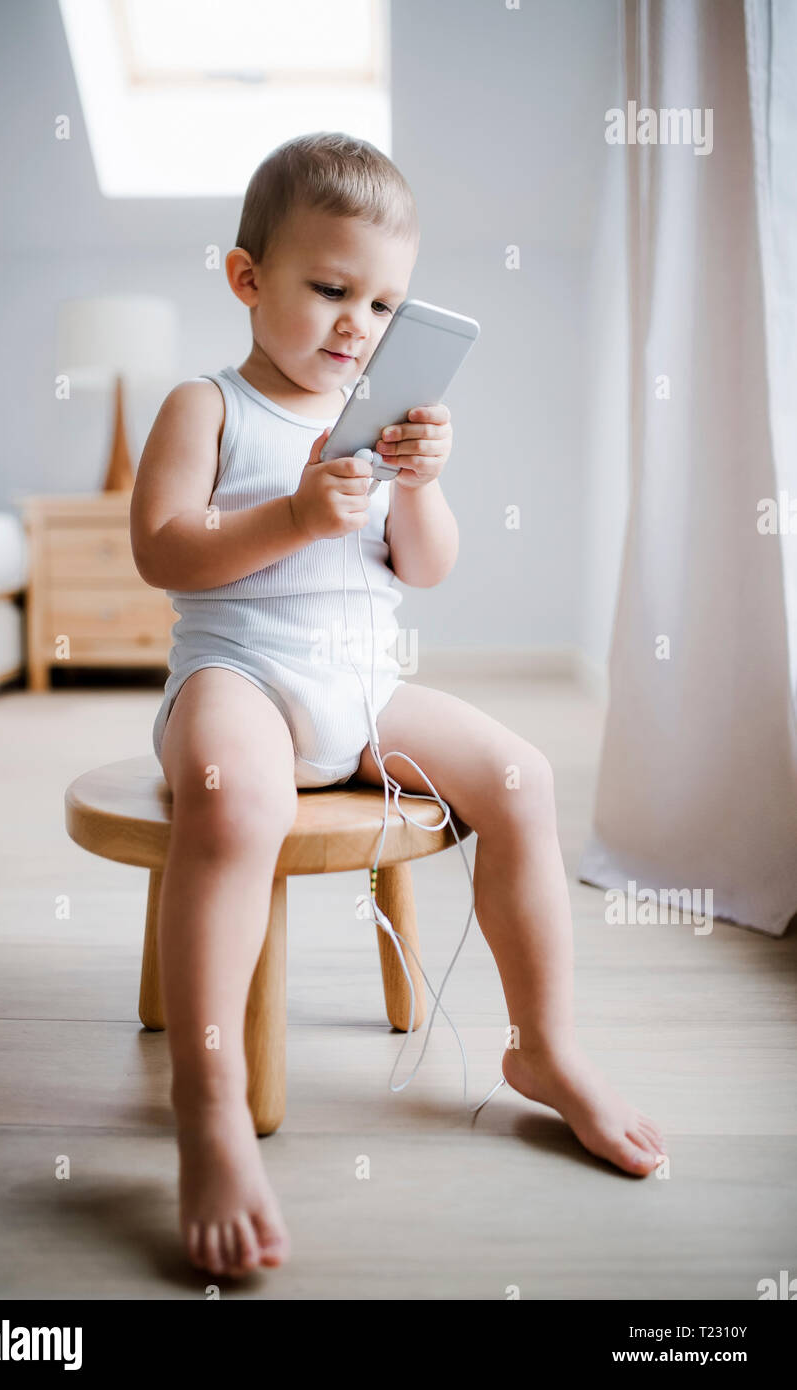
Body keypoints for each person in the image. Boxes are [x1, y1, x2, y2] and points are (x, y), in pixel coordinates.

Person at [130, 131, 666, 1280]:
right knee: (230, 804)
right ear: (245, 279)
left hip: (360, 685)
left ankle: (543, 1047)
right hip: (239, 681)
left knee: (518, 774)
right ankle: (208, 1103)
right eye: (328, 289)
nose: (355, 326)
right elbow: (162, 550)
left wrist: (416, 489)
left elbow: (421, 568)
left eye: (383, 304)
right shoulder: (207, 406)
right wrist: (294, 517)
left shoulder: (378, 429)